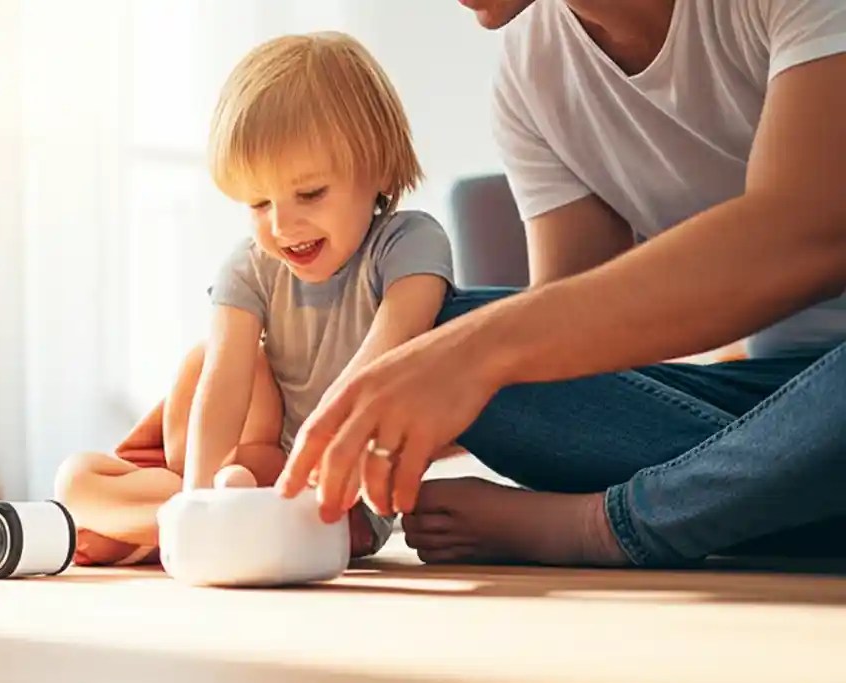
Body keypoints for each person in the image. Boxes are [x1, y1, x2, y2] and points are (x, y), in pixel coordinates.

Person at [276, 0, 846, 567]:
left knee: (481, 346)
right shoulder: (534, 70)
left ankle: (610, 523)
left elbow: (809, 230)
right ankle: (757, 494)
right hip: (780, 398)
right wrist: (391, 412)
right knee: (445, 331)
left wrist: (481, 352)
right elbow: (567, 345)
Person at [54, 31, 457, 566]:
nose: (283, 225)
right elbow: (221, 386)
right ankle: (197, 515)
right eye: (259, 201)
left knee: (243, 485)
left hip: (339, 490)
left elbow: (386, 357)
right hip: (251, 466)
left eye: (309, 193)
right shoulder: (250, 266)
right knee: (76, 478)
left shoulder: (410, 244)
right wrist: (197, 501)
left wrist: (253, 482)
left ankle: (152, 524)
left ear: (379, 169)